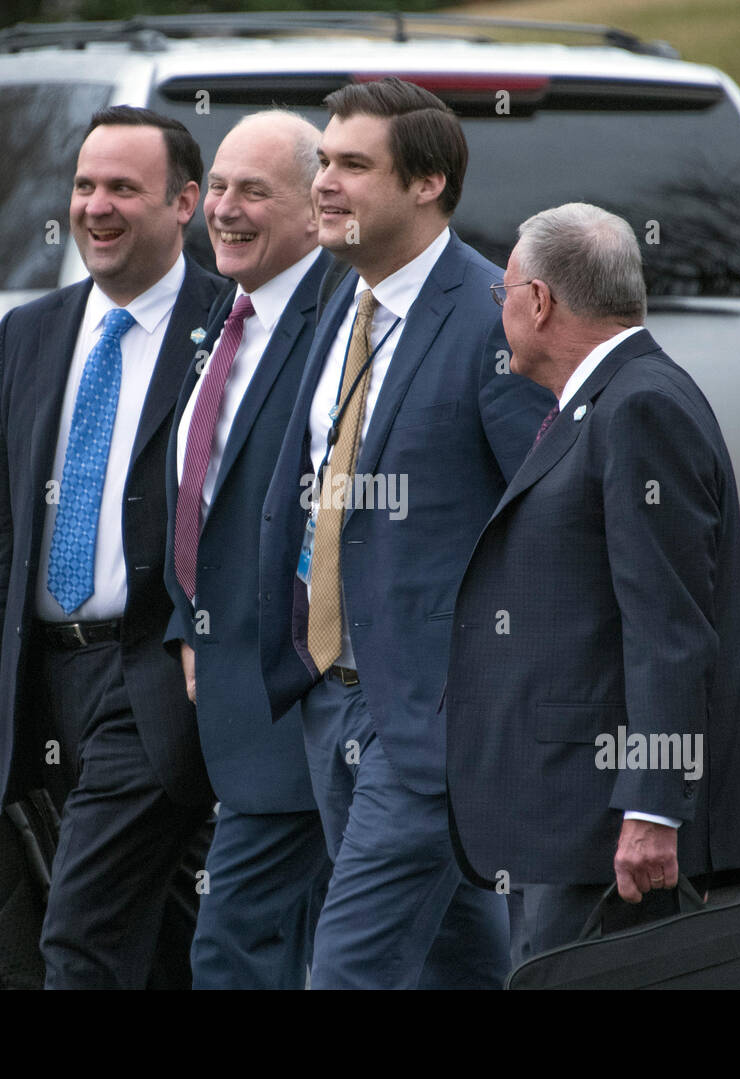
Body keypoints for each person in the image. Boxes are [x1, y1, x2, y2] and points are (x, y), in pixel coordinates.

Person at [257, 78, 554, 989]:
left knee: (347, 968)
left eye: (354, 165)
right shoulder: (341, 303)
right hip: (332, 697)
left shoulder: (490, 314)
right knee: (455, 962)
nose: (326, 185)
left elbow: (545, 518)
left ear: (427, 184)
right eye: (323, 164)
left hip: (433, 714)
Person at [444, 202, 740, 966]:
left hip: (604, 829)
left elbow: (670, 628)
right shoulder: (612, 399)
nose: (500, 310)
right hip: (570, 815)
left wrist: (652, 808)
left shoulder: (638, 407)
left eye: (504, 293)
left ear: (538, 301)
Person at [0, 105, 224, 989]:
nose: (95, 207)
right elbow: (5, 524)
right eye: (83, 185)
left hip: (153, 671)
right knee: (143, 931)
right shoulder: (31, 332)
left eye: (122, 187)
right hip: (46, 679)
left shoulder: (230, 326)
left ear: (185, 203)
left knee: (80, 929)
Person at [162, 110, 333, 989]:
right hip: (222, 686)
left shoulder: (342, 319)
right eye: (218, 187)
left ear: (316, 208)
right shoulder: (226, 315)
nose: (223, 208)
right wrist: (188, 619)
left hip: (303, 702)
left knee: (235, 951)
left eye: (252, 191)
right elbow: (201, 487)